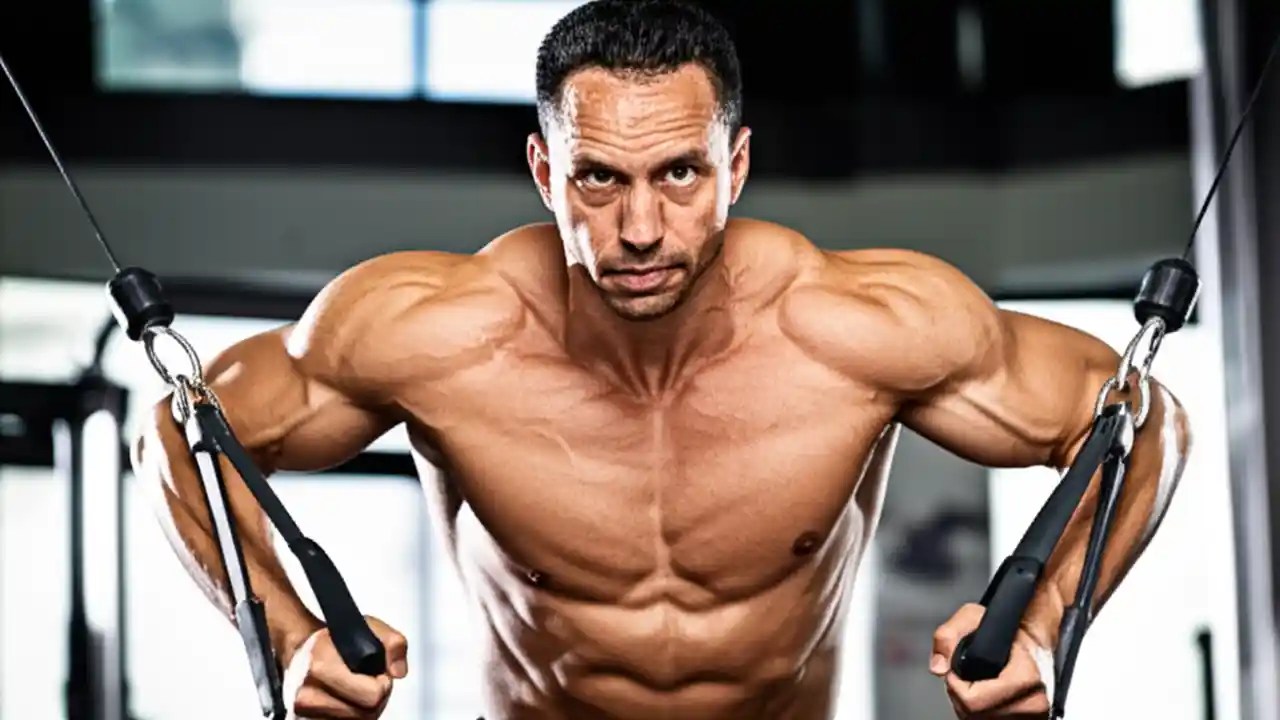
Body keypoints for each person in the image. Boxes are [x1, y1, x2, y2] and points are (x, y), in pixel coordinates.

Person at [130, 1, 1191, 718]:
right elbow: (181, 434)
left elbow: (1138, 421)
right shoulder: (434, 332)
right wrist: (283, 637)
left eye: (680, 173)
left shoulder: (857, 325)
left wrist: (1046, 623)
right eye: (598, 180)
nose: (639, 227)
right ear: (543, 170)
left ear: (735, 163)